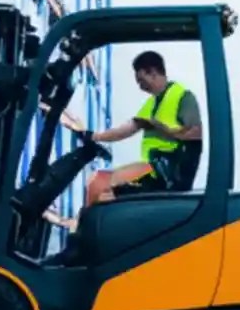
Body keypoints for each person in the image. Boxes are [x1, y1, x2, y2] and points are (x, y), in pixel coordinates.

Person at [84, 51, 203, 205]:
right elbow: (128, 128)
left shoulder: (183, 97)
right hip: (156, 167)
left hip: (169, 172)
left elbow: (195, 133)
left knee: (103, 187)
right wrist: (94, 137)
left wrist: (161, 128)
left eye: (141, 80)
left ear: (153, 73)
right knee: (98, 182)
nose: (140, 86)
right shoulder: (153, 103)